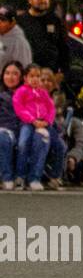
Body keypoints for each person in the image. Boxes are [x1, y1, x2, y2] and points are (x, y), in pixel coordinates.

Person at [15, 65, 64, 191]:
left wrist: (47, 121)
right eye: (32, 76)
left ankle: (54, 177)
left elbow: (51, 108)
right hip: (28, 123)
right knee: (23, 144)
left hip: (45, 124)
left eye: (38, 76)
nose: (35, 79)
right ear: (25, 78)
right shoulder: (21, 91)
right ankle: (21, 176)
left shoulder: (43, 93)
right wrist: (32, 120)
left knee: (60, 146)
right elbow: (19, 108)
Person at [17, 0, 69, 75]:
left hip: (49, 78)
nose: (42, 0)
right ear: (30, 0)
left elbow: (64, 49)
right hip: (27, 77)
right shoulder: (20, 21)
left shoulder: (55, 20)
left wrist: (62, 74)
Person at [0, 61, 23, 189]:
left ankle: (7, 178)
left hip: (13, 132)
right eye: (7, 73)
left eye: (15, 74)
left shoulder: (25, 95)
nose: (10, 77)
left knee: (2, 136)